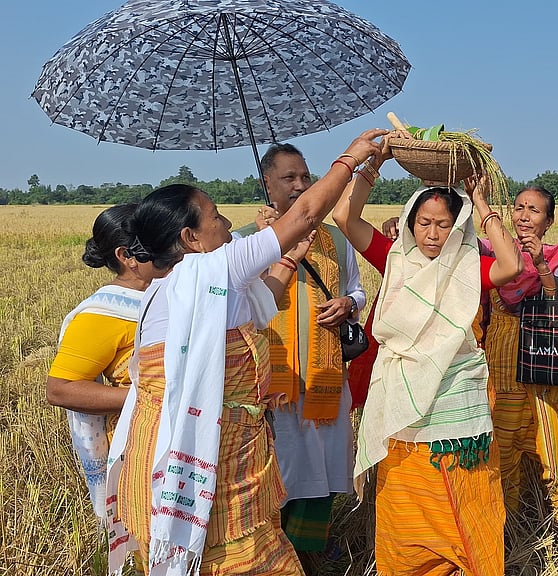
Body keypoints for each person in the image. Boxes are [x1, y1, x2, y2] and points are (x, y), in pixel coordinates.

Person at [107, 129, 385, 575]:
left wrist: (290, 256)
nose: (223, 223)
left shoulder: (180, 286)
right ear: (190, 238)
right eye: (214, 216)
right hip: (209, 465)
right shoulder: (213, 266)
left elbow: (263, 300)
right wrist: (353, 156)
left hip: (192, 455)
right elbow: (309, 211)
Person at [333, 140, 523, 576]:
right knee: (406, 513)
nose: (432, 235)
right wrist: (373, 165)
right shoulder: (395, 259)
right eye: (424, 223)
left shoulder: (468, 269)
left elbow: (511, 265)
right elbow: (345, 217)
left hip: (456, 414)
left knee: (463, 506)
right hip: (403, 413)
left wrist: (481, 202)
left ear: (458, 228)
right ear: (409, 223)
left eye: (443, 225)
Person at [236, 143, 366, 567]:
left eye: (305, 177)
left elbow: (356, 287)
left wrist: (348, 303)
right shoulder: (245, 242)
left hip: (326, 376)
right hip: (274, 382)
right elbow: (238, 303)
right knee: (280, 470)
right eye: (288, 178)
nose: (299, 185)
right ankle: (278, 551)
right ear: (266, 183)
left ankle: (313, 547)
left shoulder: (333, 239)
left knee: (326, 463)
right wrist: (265, 242)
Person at [47, 204, 156, 551]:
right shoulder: (102, 316)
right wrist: (150, 396)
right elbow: (60, 390)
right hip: (143, 441)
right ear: (127, 256)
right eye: (159, 241)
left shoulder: (170, 295)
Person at [481, 185, 558, 527]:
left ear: (548, 220)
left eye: (534, 210)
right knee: (502, 450)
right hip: (502, 366)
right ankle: (508, 531)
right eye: (519, 207)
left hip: (544, 367)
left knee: (553, 447)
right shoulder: (487, 249)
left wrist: (539, 263)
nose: (524, 216)